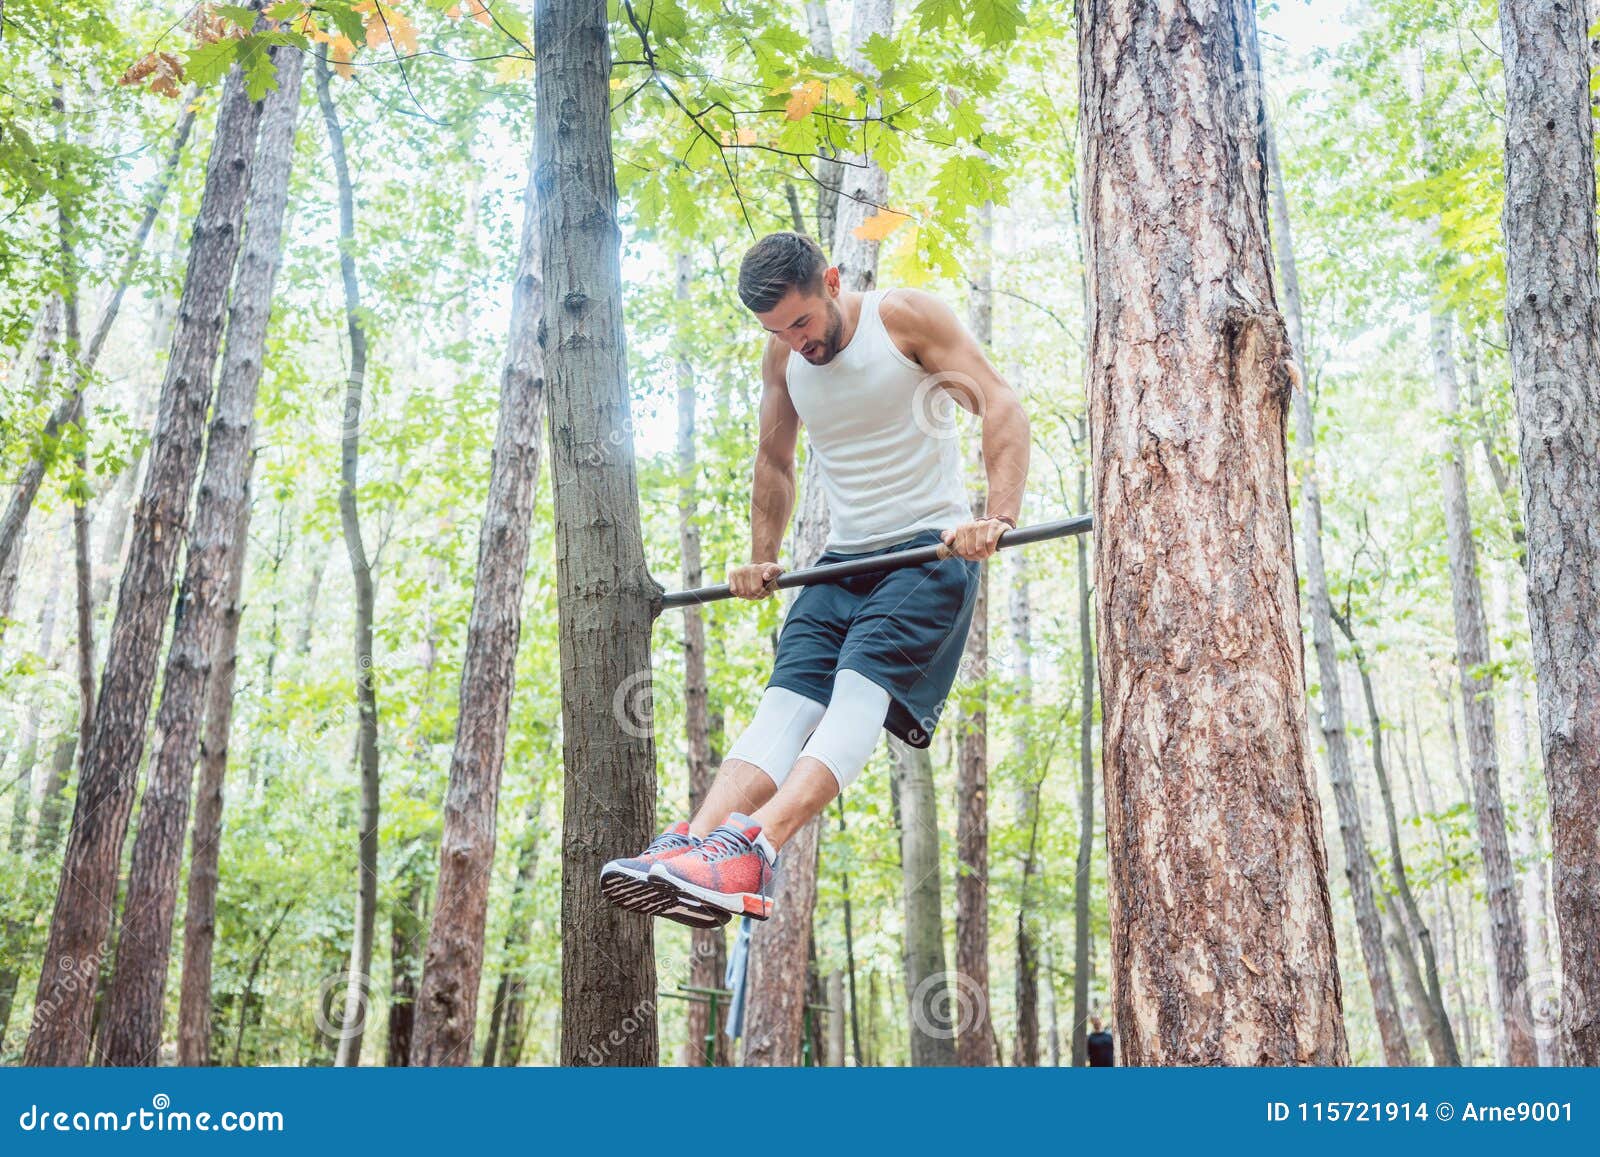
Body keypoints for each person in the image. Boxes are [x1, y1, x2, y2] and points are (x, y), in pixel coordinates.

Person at [601, 231, 1031, 927]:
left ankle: (754, 848)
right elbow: (775, 460)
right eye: (777, 330)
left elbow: (1000, 403)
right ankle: (685, 848)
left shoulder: (907, 318)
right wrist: (762, 553)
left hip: (929, 550)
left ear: (831, 281)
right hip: (843, 560)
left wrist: (997, 516)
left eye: (801, 321)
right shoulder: (784, 355)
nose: (796, 341)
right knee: (785, 703)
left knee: (856, 689)